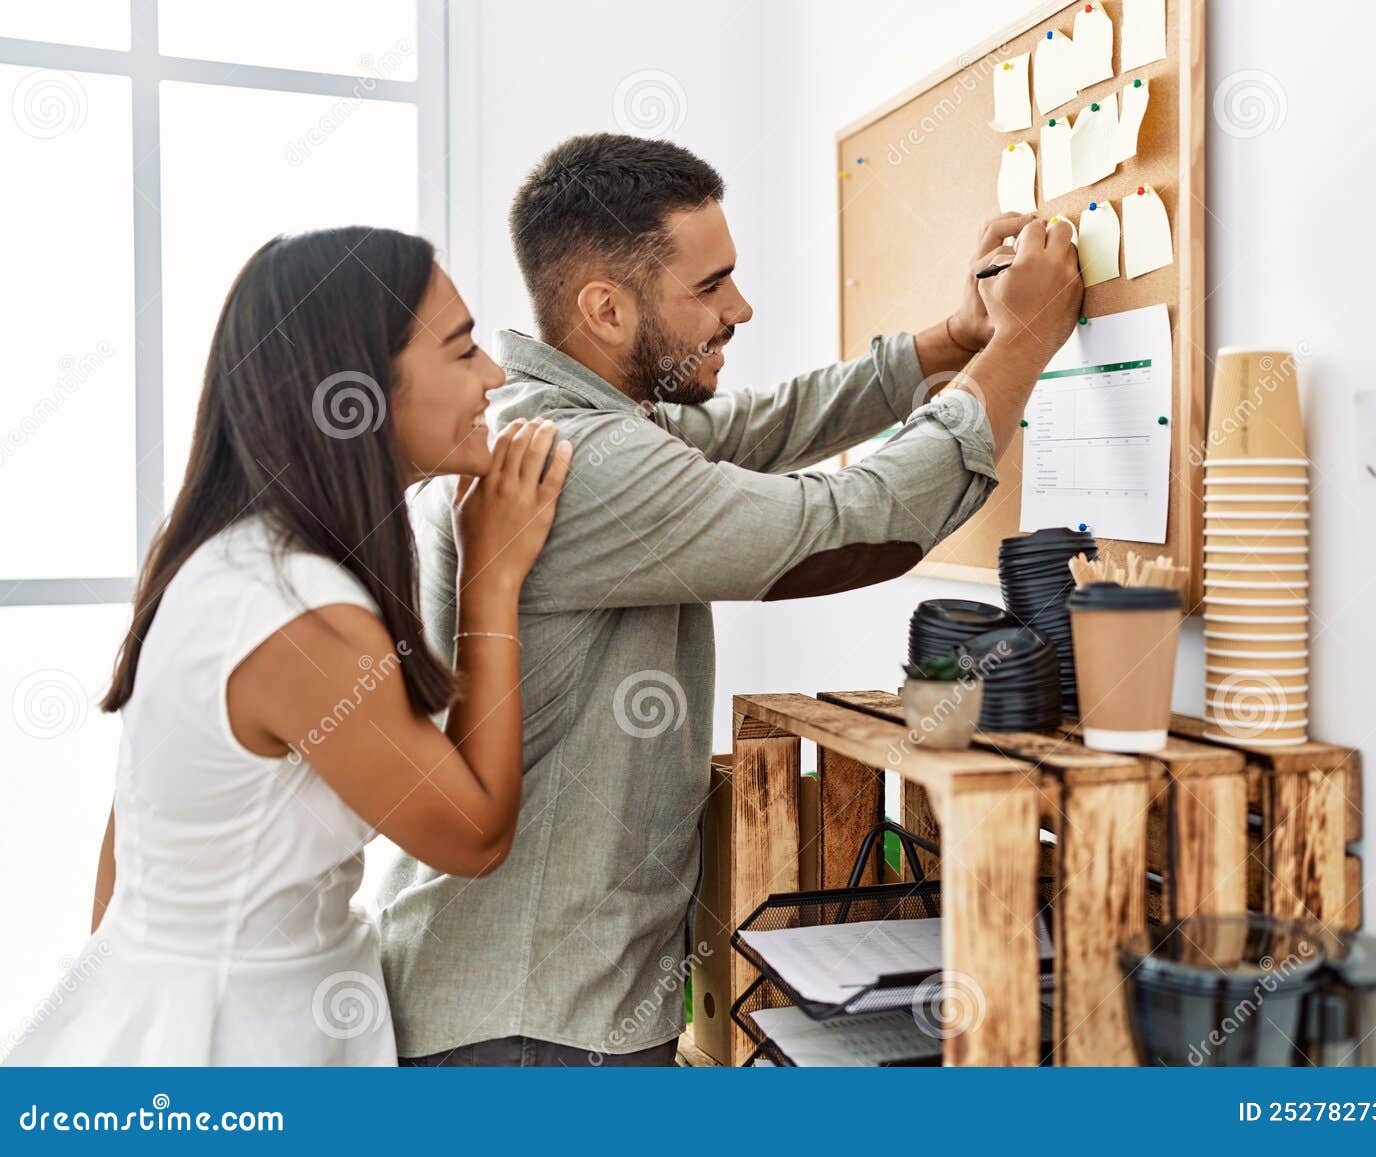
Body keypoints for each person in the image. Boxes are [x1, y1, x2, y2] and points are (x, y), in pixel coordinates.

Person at [378, 134, 1083, 1066]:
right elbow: (845, 523)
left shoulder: (570, 420)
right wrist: (1024, 343)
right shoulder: (578, 458)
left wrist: (955, 341)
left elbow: (758, 425)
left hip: (520, 1002)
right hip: (530, 1025)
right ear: (607, 307)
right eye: (709, 287)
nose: (739, 308)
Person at [1, 227, 570, 1066]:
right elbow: (474, 833)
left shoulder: (228, 556)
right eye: (463, 350)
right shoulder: (295, 615)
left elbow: (129, 844)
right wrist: (491, 579)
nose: (495, 375)